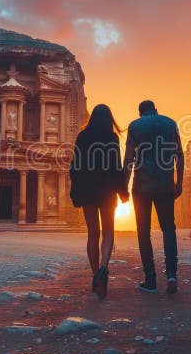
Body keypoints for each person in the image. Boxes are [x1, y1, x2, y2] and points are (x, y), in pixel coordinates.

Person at [124, 100, 184, 294]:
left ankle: (150, 280)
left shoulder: (134, 126)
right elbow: (179, 155)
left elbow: (128, 160)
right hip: (165, 185)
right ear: (155, 110)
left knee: (143, 232)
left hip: (141, 187)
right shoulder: (170, 123)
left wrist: (123, 188)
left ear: (140, 113)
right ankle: (172, 274)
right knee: (168, 228)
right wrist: (179, 182)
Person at [69, 104, 129, 299]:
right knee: (108, 232)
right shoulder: (111, 138)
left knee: (92, 233)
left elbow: (75, 166)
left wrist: (76, 190)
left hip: (87, 191)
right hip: (107, 191)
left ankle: (95, 275)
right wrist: (122, 191)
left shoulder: (82, 137)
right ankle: (104, 269)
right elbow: (116, 166)